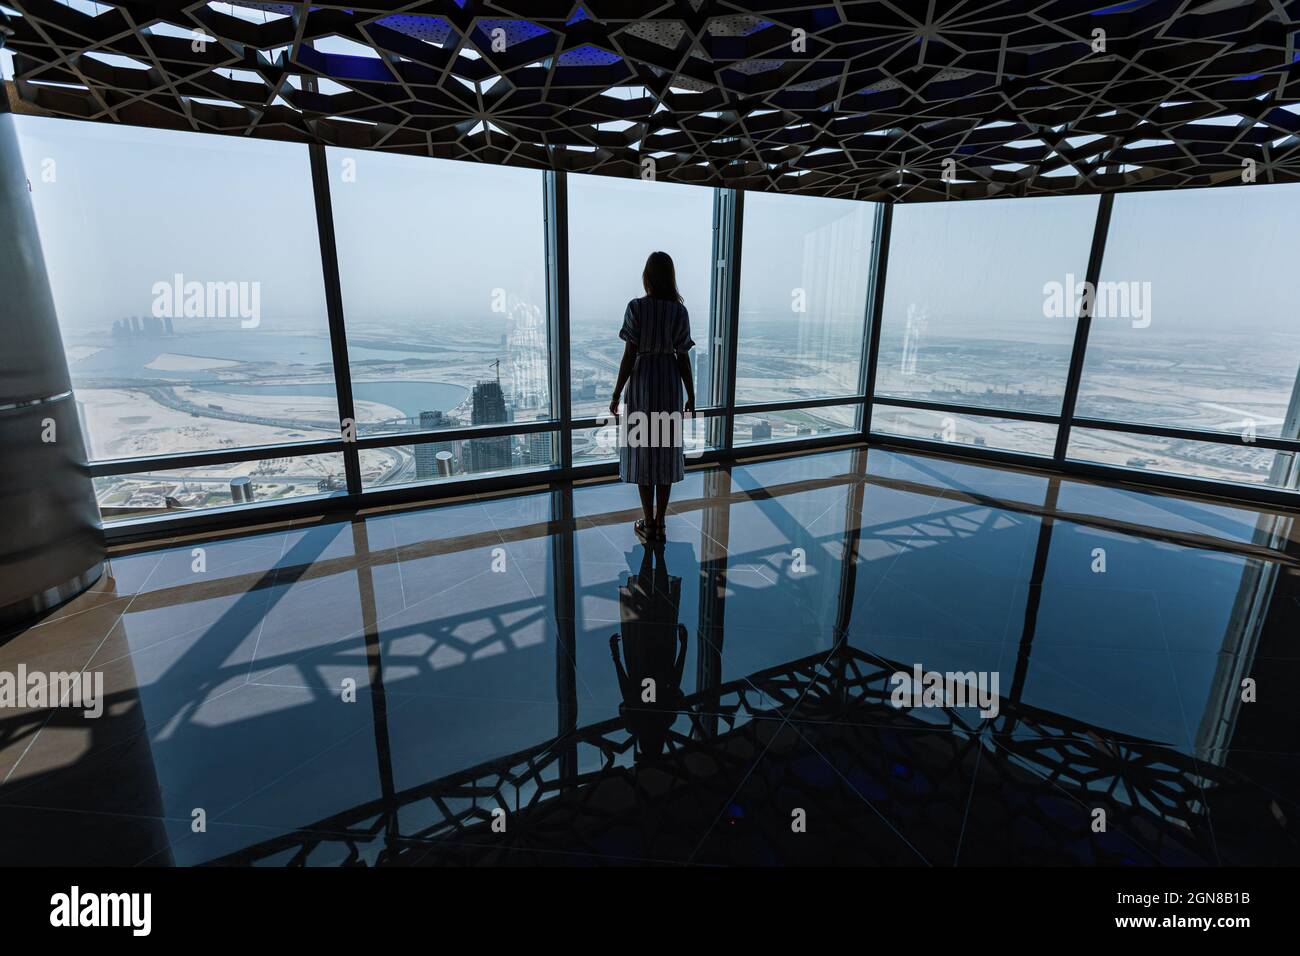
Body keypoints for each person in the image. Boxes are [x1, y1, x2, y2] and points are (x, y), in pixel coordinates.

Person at [608, 251, 696, 541]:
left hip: (643, 383)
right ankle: (661, 522)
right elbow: (683, 358)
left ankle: (647, 521)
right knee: (666, 452)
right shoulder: (679, 312)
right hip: (669, 383)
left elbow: (629, 355)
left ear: (647, 276)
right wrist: (691, 395)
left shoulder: (636, 308)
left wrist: (617, 392)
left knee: (644, 452)